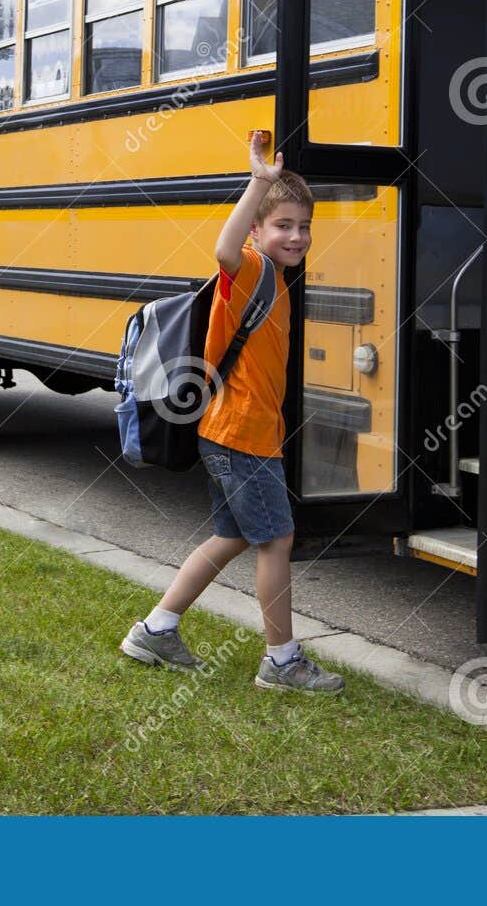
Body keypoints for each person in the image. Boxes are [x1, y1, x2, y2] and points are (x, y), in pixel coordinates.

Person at [119, 131, 344, 693]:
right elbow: (224, 251)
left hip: (229, 431)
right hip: (242, 435)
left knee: (233, 536)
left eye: (304, 226)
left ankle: (156, 629)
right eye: (283, 225)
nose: (296, 236)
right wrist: (258, 183)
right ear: (258, 231)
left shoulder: (277, 280)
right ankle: (282, 661)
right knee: (277, 540)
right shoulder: (251, 269)